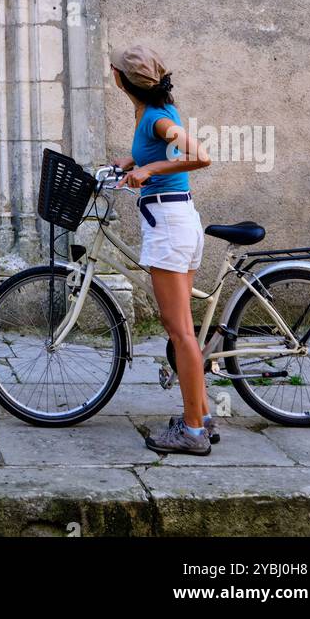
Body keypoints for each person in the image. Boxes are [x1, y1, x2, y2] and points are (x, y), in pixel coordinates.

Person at [110, 44, 215, 455]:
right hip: (176, 220)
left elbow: (200, 155)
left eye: (113, 70)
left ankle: (192, 432)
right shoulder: (156, 113)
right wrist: (129, 163)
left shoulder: (156, 118)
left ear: (121, 79)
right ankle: (202, 417)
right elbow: (157, 153)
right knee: (182, 329)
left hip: (169, 225)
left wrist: (149, 170)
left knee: (180, 332)